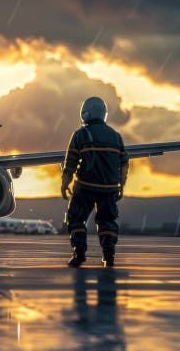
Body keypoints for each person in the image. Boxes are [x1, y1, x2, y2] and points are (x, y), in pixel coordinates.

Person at [61, 97, 129, 268]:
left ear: (85, 113)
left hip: (86, 186)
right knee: (107, 222)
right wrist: (122, 186)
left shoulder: (80, 135)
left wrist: (65, 183)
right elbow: (124, 163)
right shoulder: (116, 136)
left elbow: (70, 163)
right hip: (109, 188)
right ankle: (109, 256)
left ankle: (79, 253)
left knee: (75, 219)